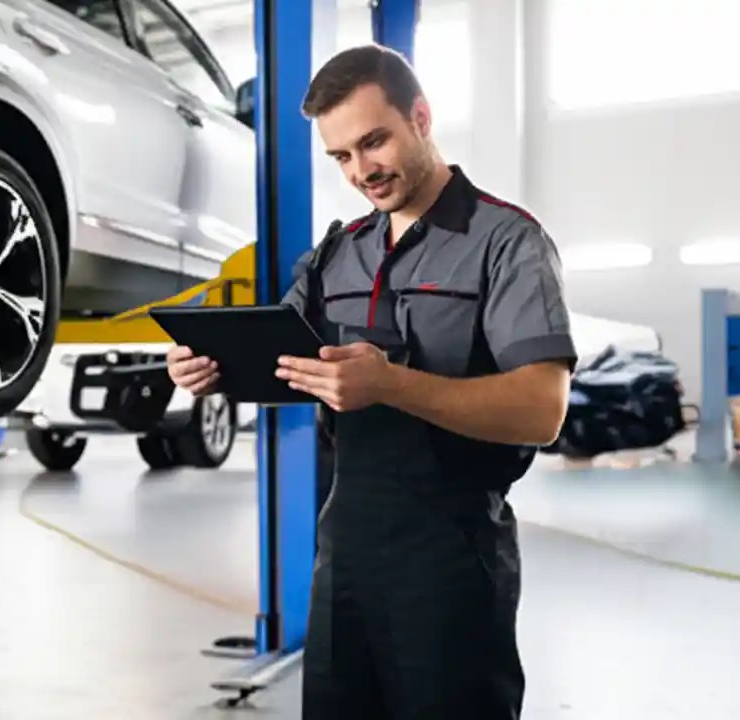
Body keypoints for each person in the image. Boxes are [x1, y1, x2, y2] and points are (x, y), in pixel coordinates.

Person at [167, 44, 577, 719]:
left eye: (374, 142)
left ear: (421, 117)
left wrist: (391, 385)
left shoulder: (507, 242)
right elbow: (285, 358)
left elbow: (542, 409)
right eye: (342, 157)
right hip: (346, 551)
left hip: (452, 554)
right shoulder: (339, 252)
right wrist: (212, 370)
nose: (361, 171)